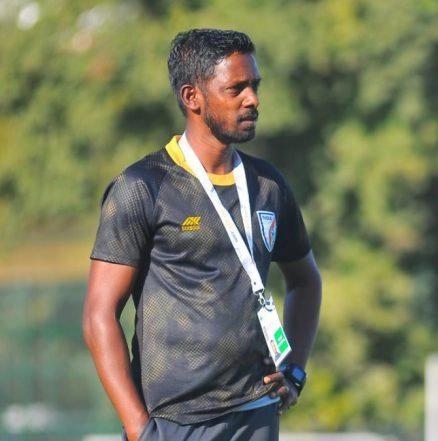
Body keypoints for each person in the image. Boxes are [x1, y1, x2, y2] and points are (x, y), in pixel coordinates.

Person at [82, 28, 322, 441]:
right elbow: (98, 315)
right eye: (237, 89)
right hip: (175, 423)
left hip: (257, 412)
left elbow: (305, 280)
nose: (253, 99)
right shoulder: (144, 187)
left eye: (255, 86)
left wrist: (294, 370)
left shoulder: (268, 185)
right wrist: (138, 428)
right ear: (192, 97)